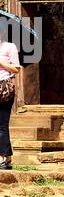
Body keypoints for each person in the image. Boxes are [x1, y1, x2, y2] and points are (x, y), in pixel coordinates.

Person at [0, 38, 21, 169]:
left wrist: (1, 62)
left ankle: (4, 158)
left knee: (2, 125)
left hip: (4, 89)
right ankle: (6, 158)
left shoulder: (9, 47)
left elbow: (16, 68)